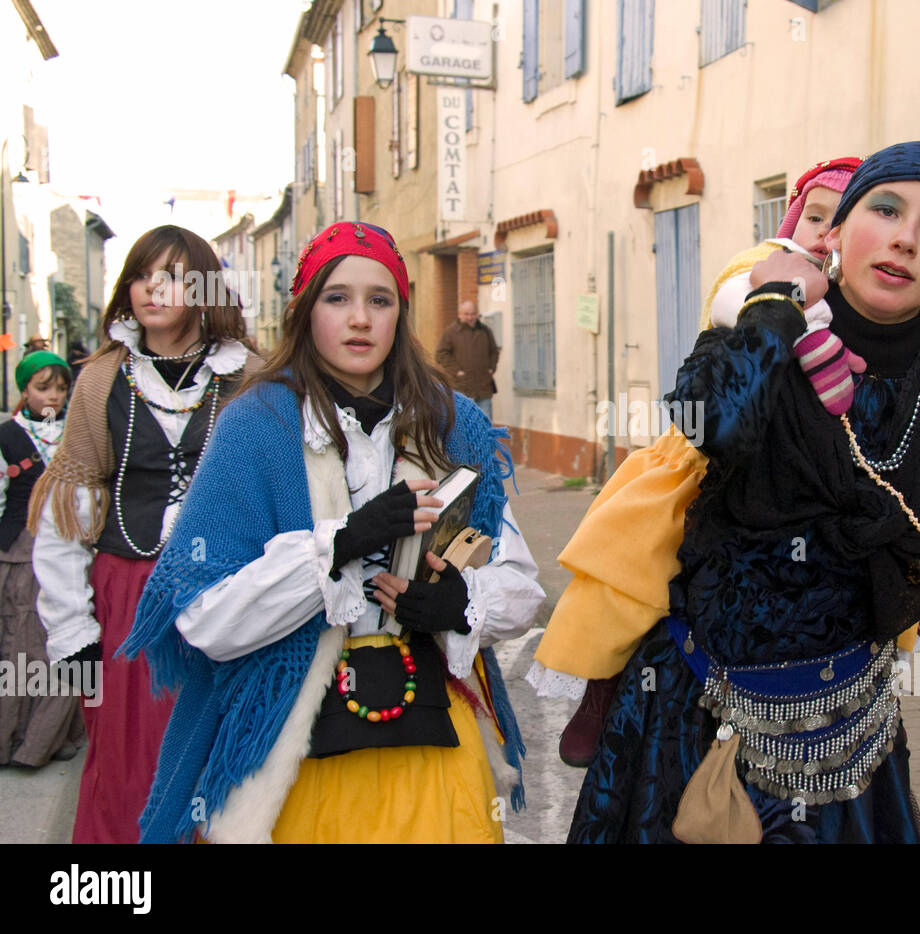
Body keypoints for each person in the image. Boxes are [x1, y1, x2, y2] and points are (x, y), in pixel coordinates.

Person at [564, 141, 920, 843]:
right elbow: (716, 423)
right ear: (836, 234)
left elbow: (908, 579)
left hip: (846, 744)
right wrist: (775, 302)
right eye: (885, 209)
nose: (902, 237)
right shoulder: (759, 342)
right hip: (687, 721)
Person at [121, 221, 544, 844]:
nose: (360, 319)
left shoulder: (451, 425)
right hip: (295, 752)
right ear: (305, 310)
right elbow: (205, 618)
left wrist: (459, 605)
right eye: (336, 298)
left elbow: (521, 589)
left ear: (400, 315)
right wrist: (338, 544)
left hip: (434, 740)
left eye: (380, 300)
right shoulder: (254, 429)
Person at [27, 225, 258, 843]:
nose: (154, 289)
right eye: (142, 274)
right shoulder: (101, 379)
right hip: (125, 602)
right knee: (127, 769)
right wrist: (72, 630)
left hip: (228, 603)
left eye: (176, 277)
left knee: (224, 767)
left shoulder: (252, 378)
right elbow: (65, 512)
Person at [0, 351, 80, 767]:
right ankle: (11, 736)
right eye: (43, 387)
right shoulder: (7, 436)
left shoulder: (77, 431)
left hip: (71, 550)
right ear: (24, 389)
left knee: (67, 641)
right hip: (22, 554)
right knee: (22, 649)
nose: (53, 396)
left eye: (61, 387)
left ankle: (46, 739)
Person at [435, 300, 499, 421]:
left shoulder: (485, 331)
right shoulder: (451, 332)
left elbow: (494, 351)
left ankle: (484, 441)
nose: (470, 317)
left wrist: (491, 368)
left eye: (473, 314)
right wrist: (457, 371)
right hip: (461, 387)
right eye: (466, 314)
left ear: (477, 314)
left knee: (485, 422)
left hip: (483, 386)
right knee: (463, 423)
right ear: (459, 314)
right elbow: (441, 354)